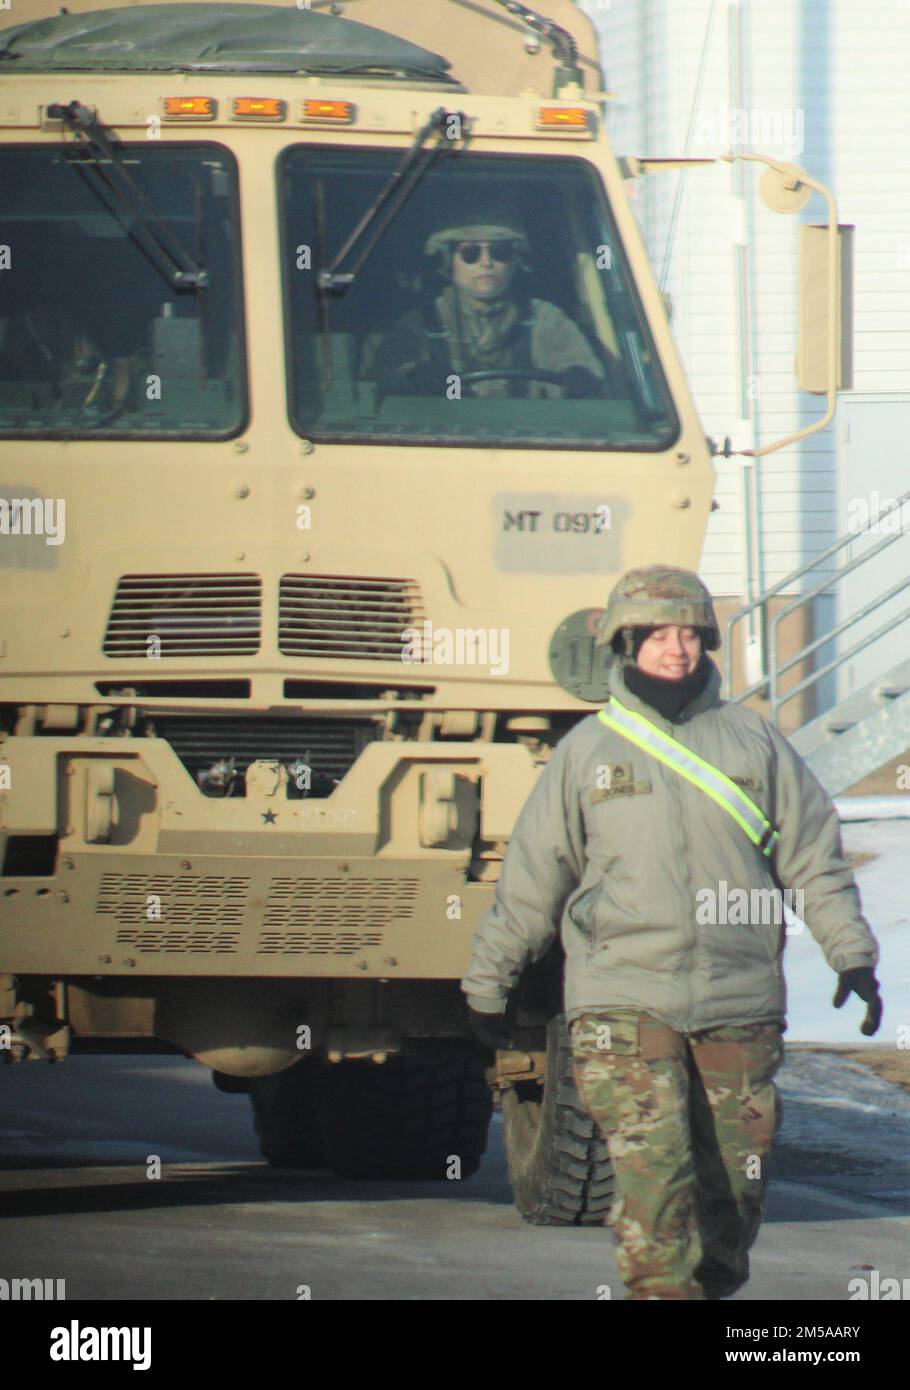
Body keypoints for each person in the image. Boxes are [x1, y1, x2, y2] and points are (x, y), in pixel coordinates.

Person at [461, 564, 883, 1301]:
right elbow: (533, 875)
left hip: (738, 997)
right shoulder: (587, 754)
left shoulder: (755, 743)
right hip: (622, 998)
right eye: (657, 635)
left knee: (733, 1199)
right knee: (655, 1190)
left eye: (688, 634)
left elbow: (814, 857)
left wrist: (851, 955)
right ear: (627, 643)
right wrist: (488, 981)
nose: (675, 649)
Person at [360, 211, 606, 400]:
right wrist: (412, 379)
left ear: (515, 262)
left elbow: (582, 374)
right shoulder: (422, 323)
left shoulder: (543, 319)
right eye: (470, 254)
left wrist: (577, 379)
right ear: (448, 264)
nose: (486, 262)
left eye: (499, 252)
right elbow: (381, 384)